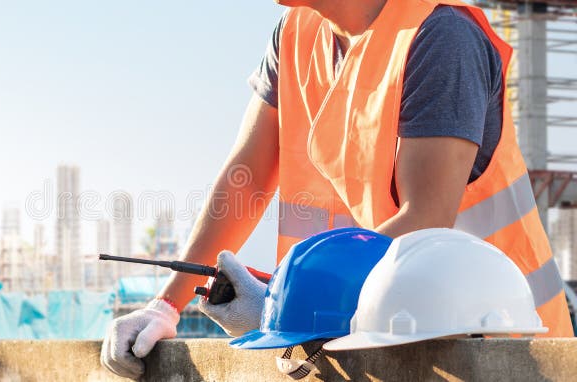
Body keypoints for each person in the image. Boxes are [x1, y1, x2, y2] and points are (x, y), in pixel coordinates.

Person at [101, 0, 574, 379]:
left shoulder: (441, 37)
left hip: (498, 347)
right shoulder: (294, 35)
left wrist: (281, 306)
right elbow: (243, 179)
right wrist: (166, 305)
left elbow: (424, 218)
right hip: (373, 342)